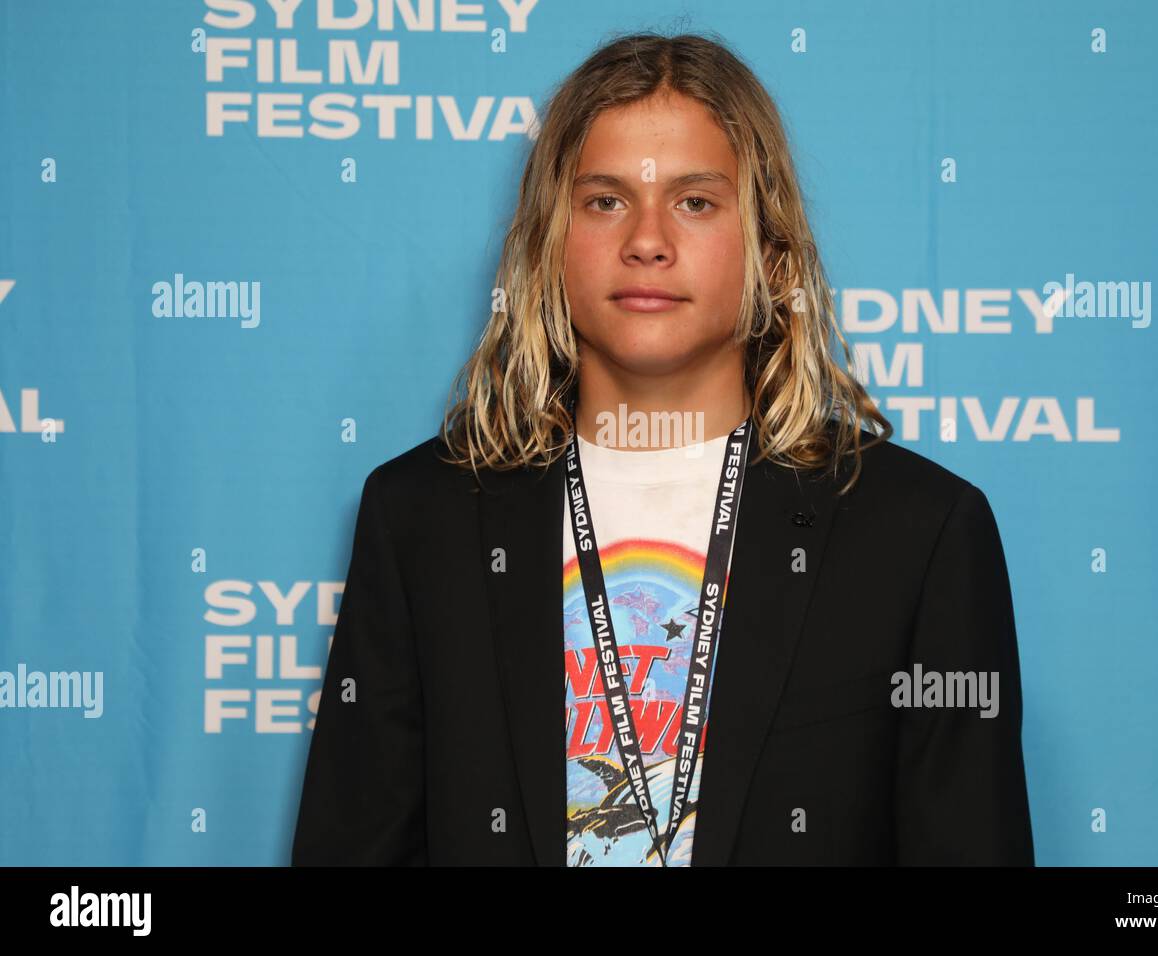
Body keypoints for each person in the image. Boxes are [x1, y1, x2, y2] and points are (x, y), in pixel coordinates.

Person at [291, 31, 1034, 867]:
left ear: (771, 249)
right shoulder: (420, 516)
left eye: (695, 201)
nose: (648, 240)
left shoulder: (919, 530)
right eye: (605, 200)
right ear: (547, 245)